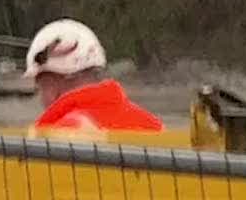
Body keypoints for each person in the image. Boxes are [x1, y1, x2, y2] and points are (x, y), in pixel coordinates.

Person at [25, 18, 163, 134]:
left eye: (40, 87)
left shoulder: (58, 135)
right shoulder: (152, 126)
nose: (41, 98)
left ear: (50, 84)